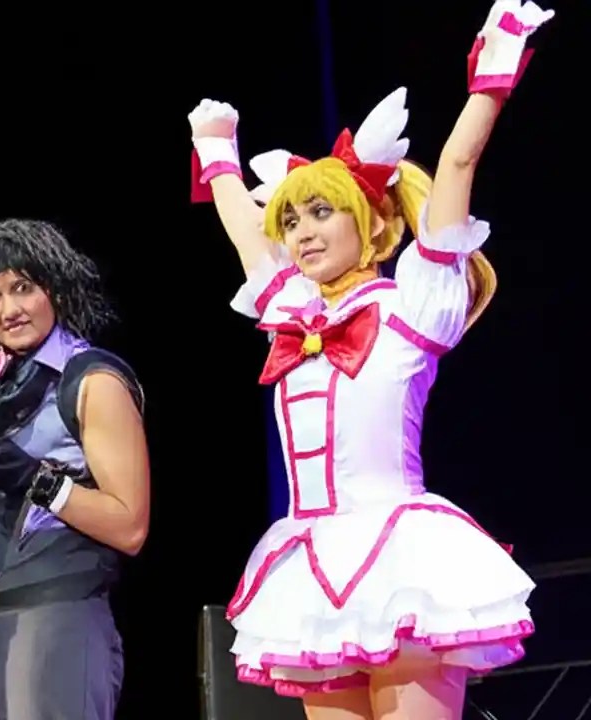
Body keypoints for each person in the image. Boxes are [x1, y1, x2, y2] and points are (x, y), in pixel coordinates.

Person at [186, 2, 553, 717]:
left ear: (376, 223)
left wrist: (495, 69)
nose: (300, 233)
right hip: (311, 569)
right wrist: (216, 150)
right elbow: (243, 237)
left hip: (399, 556)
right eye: (291, 220)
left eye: (320, 213)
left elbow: (456, 162)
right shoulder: (292, 312)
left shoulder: (411, 303)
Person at [0, 219, 150, 720]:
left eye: (22, 289)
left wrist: (38, 481)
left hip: (57, 617)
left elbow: (130, 525)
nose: (8, 311)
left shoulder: (92, 379)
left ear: (53, 286)